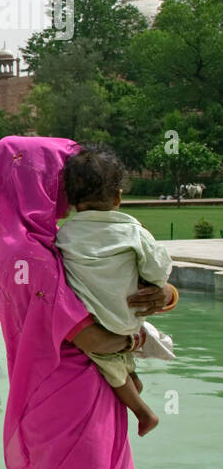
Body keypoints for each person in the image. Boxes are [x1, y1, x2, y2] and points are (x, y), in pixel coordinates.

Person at [0, 136, 175, 469]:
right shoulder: (31, 255)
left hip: (79, 396)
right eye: (59, 177)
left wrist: (164, 294)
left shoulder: (43, 243)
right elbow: (93, 338)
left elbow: (127, 289)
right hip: (73, 399)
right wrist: (136, 340)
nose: (66, 188)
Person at [55, 147, 175, 437]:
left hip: (97, 325)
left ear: (70, 201)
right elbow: (158, 269)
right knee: (116, 351)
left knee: (106, 360)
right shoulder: (133, 231)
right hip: (132, 317)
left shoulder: (62, 237)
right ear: (119, 196)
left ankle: (143, 412)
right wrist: (159, 287)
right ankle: (136, 386)